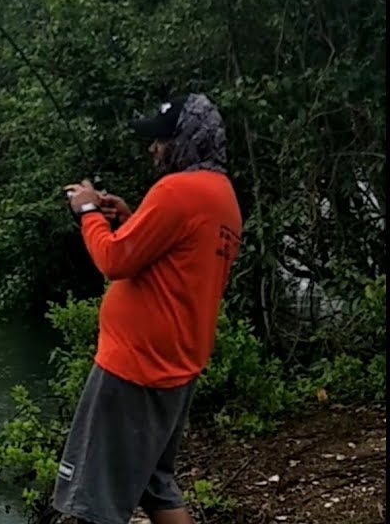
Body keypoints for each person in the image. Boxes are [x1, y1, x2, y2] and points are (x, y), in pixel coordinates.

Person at [55, 93, 244, 524]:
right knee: (155, 486)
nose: (153, 148)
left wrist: (87, 211)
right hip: (176, 366)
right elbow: (173, 261)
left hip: (135, 367)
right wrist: (129, 219)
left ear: (185, 140)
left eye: (161, 139)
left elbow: (114, 261)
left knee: (93, 500)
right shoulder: (221, 196)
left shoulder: (178, 190)